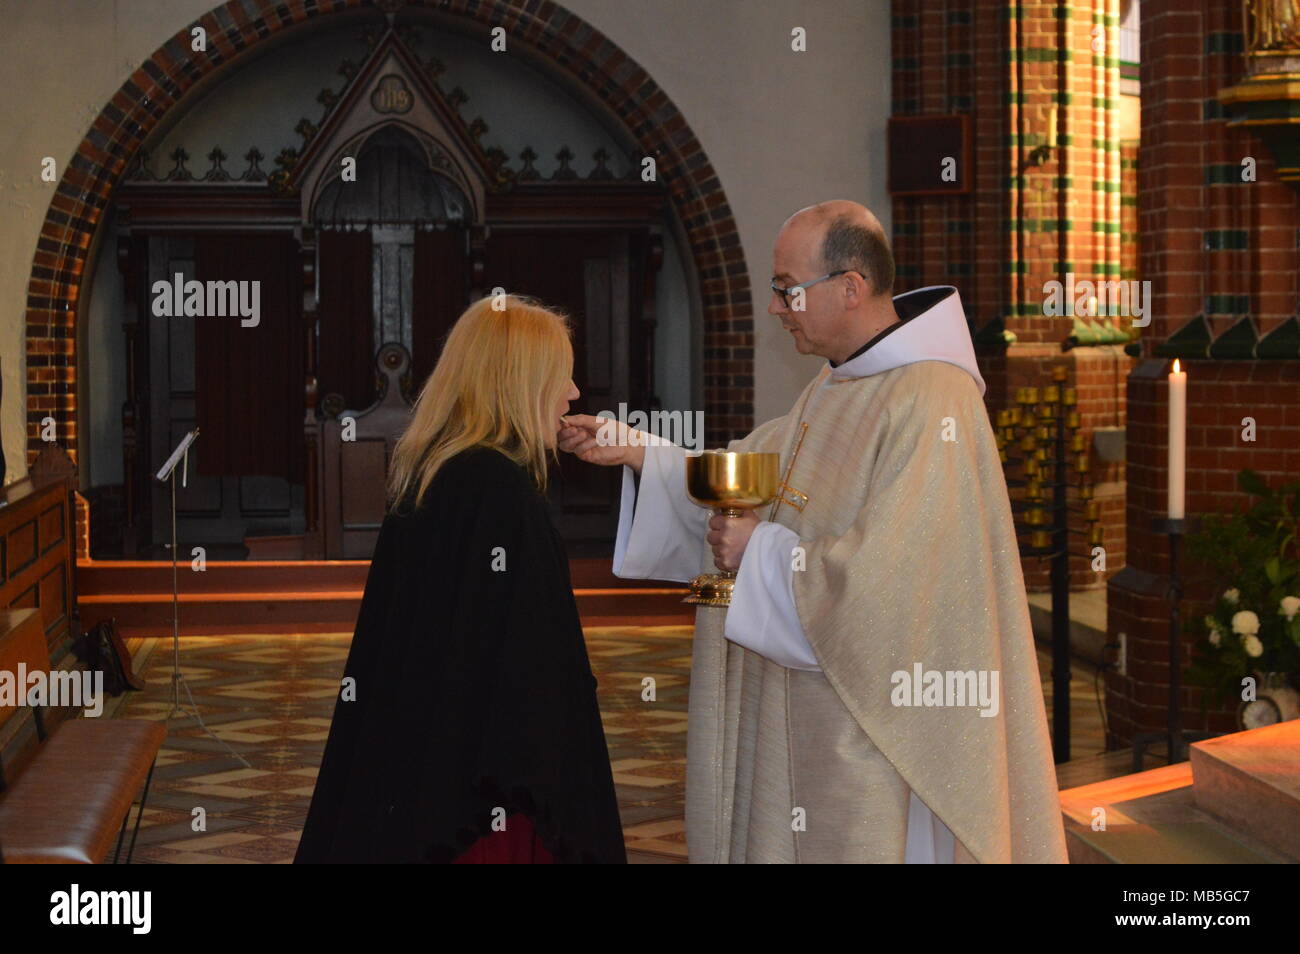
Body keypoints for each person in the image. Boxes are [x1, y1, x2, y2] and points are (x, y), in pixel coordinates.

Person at [560, 200, 1068, 863]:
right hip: (812, 708)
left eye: (785, 289)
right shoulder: (838, 384)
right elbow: (753, 475)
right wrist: (637, 451)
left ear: (850, 287)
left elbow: (894, 588)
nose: (776, 307)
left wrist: (759, 554)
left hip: (877, 736)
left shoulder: (932, 399)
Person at [296, 294, 626, 864]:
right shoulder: (503, 492)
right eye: (561, 376)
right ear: (518, 380)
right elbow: (533, 673)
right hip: (486, 801)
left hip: (424, 774)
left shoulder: (438, 470)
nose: (573, 393)